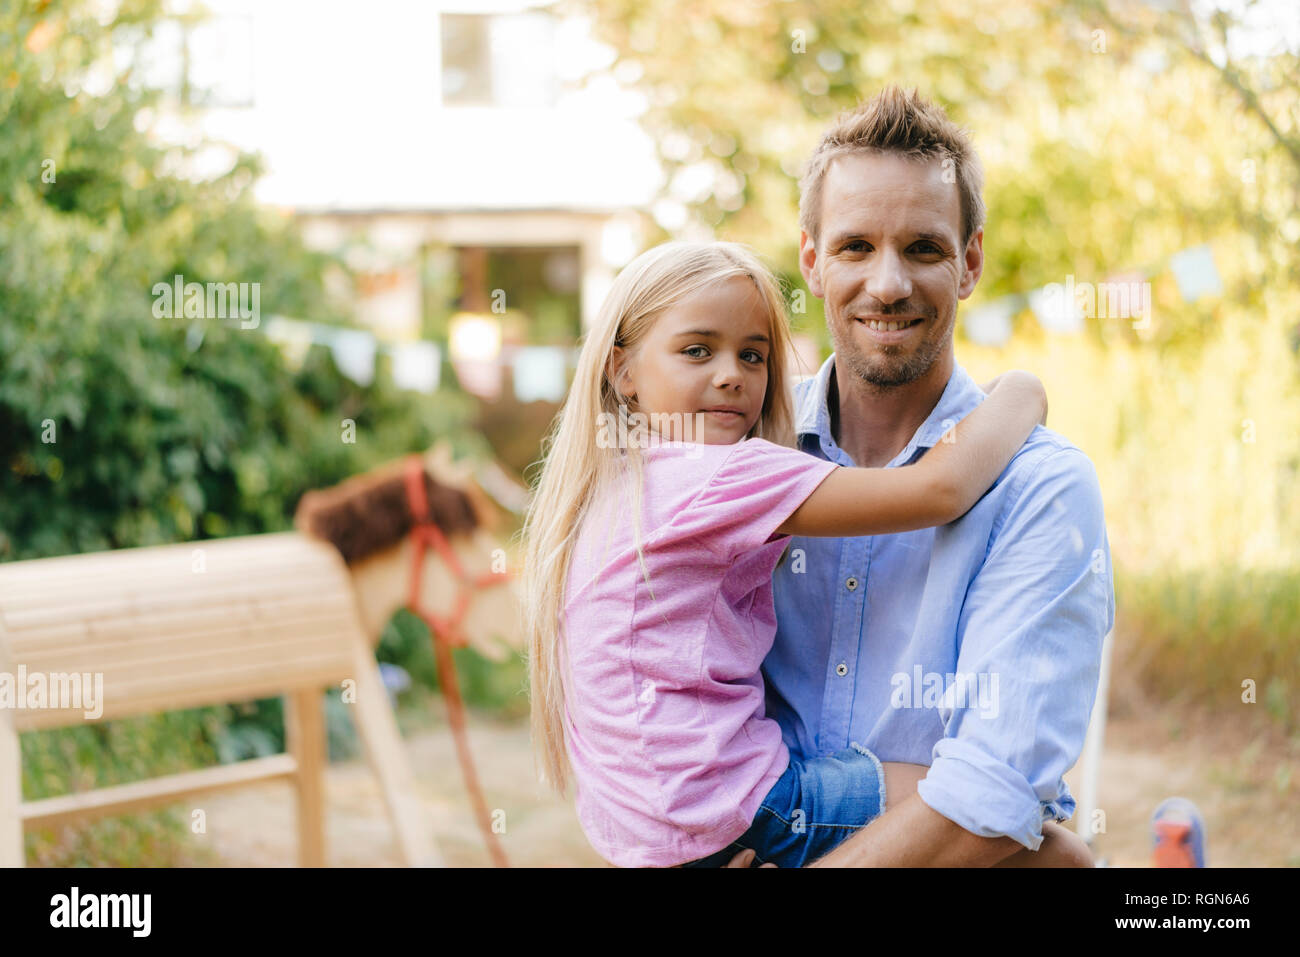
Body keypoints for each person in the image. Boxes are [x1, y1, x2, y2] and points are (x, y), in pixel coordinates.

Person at [521, 238, 1050, 868]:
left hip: (650, 833)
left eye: (753, 355)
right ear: (622, 371)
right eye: (698, 350)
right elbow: (938, 488)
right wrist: (1022, 390)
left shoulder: (612, 483)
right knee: (1022, 829)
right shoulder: (718, 474)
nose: (730, 375)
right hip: (740, 809)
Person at [741, 86, 1115, 868]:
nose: (887, 284)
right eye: (854, 247)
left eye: (923, 248)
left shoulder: (1041, 489)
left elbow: (989, 795)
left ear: (970, 262)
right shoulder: (742, 456)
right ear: (810, 260)